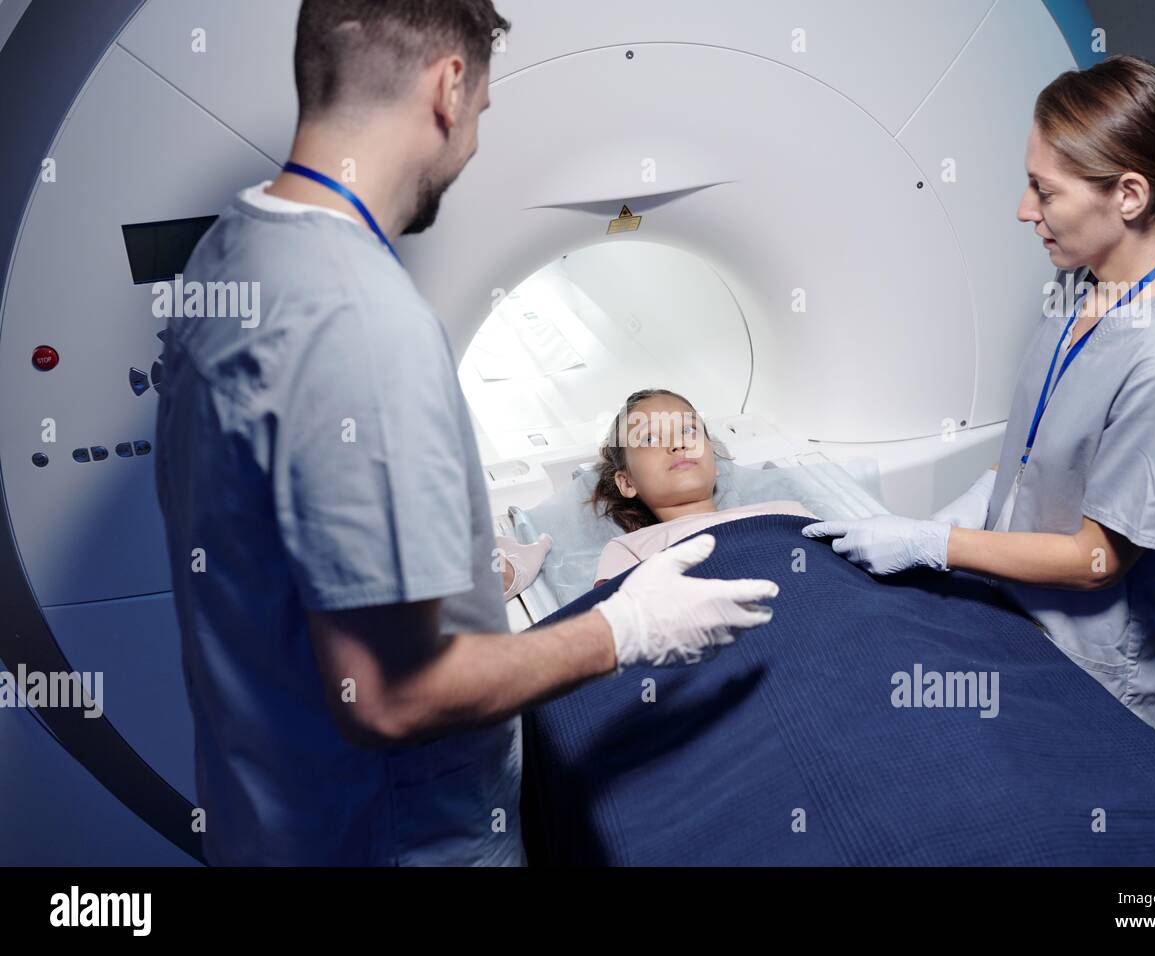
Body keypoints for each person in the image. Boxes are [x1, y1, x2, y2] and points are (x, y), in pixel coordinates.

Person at [153, 0, 777, 866]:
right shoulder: (364, 326)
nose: (474, 142)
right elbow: (389, 698)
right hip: (394, 841)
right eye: (480, 112)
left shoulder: (231, 252)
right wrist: (623, 630)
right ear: (449, 87)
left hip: (269, 810)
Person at [804, 55, 1155, 742]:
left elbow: (1096, 560)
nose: (1023, 210)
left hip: (1094, 666)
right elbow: (1043, 450)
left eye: (1044, 190)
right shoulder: (1085, 282)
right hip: (1015, 619)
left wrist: (934, 542)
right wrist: (979, 502)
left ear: (1127, 195)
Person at [589, 389, 817, 587]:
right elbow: (615, 623)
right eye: (649, 439)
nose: (679, 444)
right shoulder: (629, 548)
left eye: (688, 431)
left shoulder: (790, 512)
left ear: (715, 462)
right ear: (627, 482)